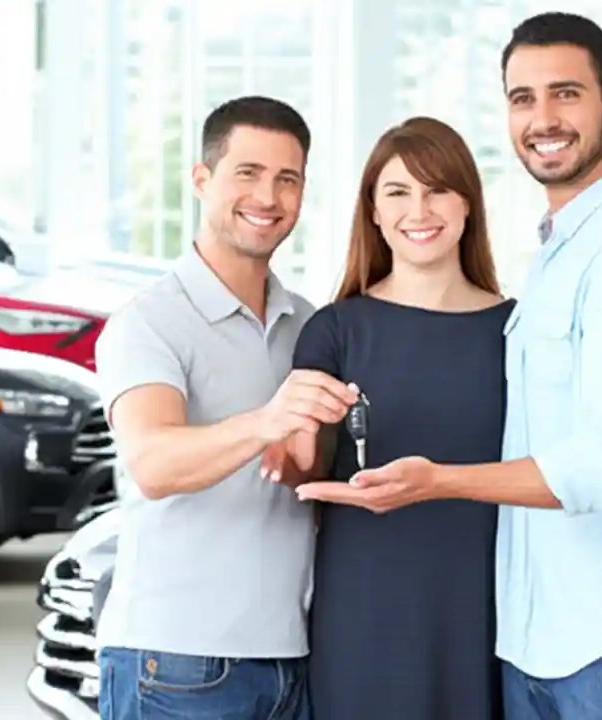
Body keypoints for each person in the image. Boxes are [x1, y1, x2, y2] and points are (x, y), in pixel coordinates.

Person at [298, 12, 602, 720]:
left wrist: (440, 482)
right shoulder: (560, 255)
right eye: (523, 98)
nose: (543, 117)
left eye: (566, 93)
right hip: (531, 648)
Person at [93, 95, 358, 720]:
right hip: (176, 663)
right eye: (248, 173)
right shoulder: (149, 322)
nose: (268, 196)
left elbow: (303, 483)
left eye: (287, 179)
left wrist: (303, 460)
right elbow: (153, 463)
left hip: (290, 656)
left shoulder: (310, 325)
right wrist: (264, 420)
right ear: (201, 179)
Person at [271, 116, 510, 719]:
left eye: (437, 190)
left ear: (467, 205)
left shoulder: (517, 331)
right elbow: (306, 468)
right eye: (398, 192)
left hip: (489, 605)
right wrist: (285, 450)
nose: (419, 210)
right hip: (367, 611)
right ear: (374, 212)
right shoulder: (335, 331)